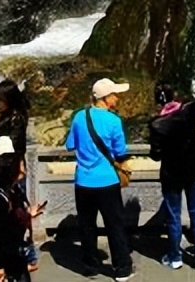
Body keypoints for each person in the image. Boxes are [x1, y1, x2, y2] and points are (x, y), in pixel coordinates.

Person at [150, 80, 195, 271]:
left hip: (171, 174)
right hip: (193, 171)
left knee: (173, 216)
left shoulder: (156, 124)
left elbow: (155, 155)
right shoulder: (188, 111)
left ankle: (175, 257)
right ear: (174, 96)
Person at [64, 77, 134, 281]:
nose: (117, 98)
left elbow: (70, 145)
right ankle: (122, 268)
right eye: (114, 94)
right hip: (107, 181)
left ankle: (90, 266)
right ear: (105, 97)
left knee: (86, 225)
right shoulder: (114, 121)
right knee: (115, 225)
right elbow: (120, 152)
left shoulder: (79, 117)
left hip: (83, 181)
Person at [0, 149, 45, 282]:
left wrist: (29, 214)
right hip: (3, 260)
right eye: (21, 166)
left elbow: (15, 219)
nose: (24, 170)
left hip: (15, 255)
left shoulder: (14, 191)